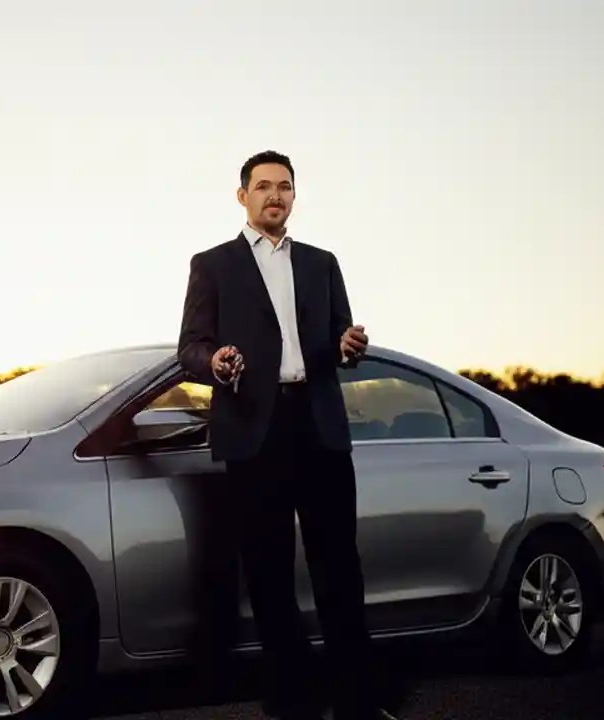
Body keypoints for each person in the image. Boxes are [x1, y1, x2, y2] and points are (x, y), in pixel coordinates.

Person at [177, 150, 394, 720]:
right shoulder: (213, 264)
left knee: (338, 568)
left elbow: (338, 339)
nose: (275, 196)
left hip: (318, 426)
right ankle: (293, 696)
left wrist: (347, 345)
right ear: (242, 195)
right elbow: (190, 347)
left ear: (294, 195)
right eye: (264, 186)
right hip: (255, 428)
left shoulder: (323, 263)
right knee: (268, 571)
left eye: (285, 187)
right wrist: (215, 361)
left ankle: (358, 699)